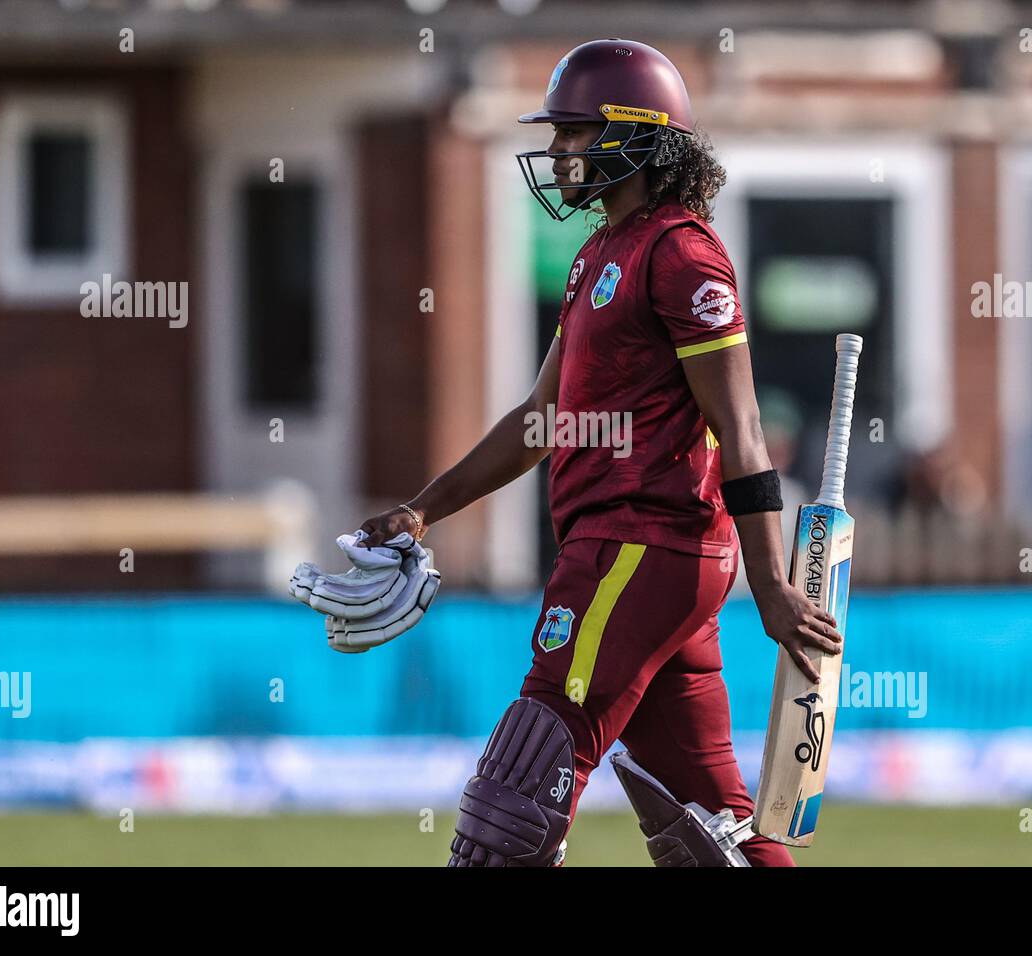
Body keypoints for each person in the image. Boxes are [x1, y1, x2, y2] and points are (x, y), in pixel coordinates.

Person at [357, 38, 841, 867]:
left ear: (636, 136)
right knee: (712, 823)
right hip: (635, 557)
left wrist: (770, 581)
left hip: (640, 549)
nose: (557, 153)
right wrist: (424, 507)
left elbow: (742, 423)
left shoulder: (681, 252)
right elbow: (539, 418)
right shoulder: (595, 257)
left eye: (574, 133)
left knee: (524, 779)